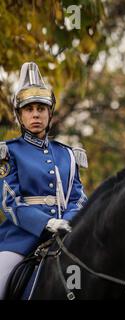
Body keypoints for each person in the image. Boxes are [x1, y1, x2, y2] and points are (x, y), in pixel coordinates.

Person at [0, 62, 88, 299]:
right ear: (20, 115)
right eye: (29, 109)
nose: (36, 114)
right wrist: (47, 223)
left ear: (50, 113)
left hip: (67, 237)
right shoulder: (9, 152)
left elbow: (79, 199)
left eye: (41, 108)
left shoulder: (68, 154)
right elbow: (10, 203)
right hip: (21, 239)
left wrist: (67, 223)